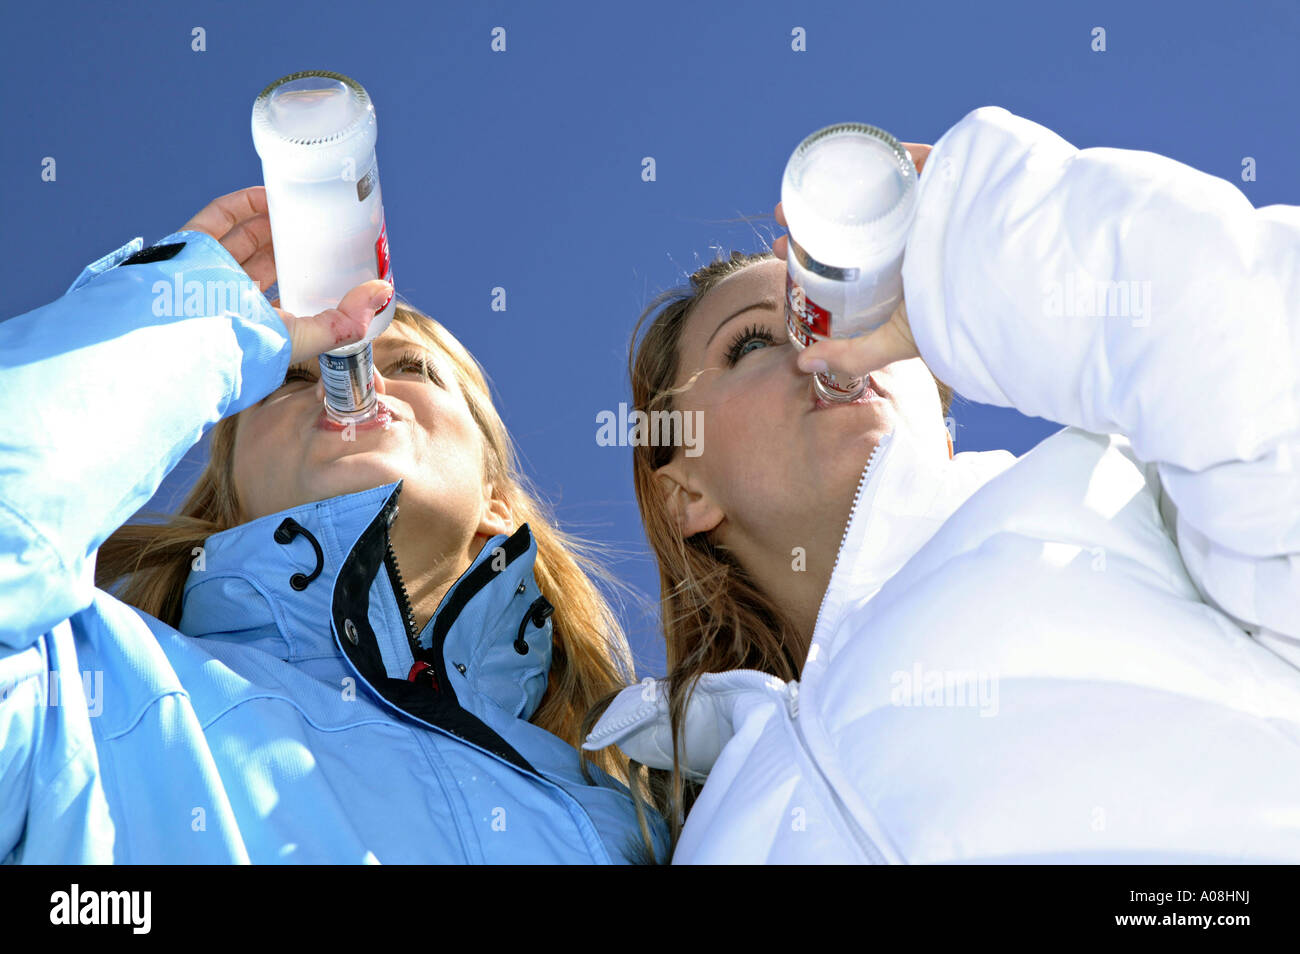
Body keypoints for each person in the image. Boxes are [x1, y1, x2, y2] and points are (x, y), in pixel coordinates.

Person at [585, 105, 1300, 863]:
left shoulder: (1129, 500)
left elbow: (1259, 362)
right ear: (686, 491)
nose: (818, 348)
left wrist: (998, 243)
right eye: (756, 341)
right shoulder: (706, 834)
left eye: (854, 309)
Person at [0, 186, 668, 863]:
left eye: (413, 368)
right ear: (226, 510)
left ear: (496, 505)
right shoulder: (78, 703)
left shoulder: (637, 827)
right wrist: (182, 313)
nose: (354, 377)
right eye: (292, 374)